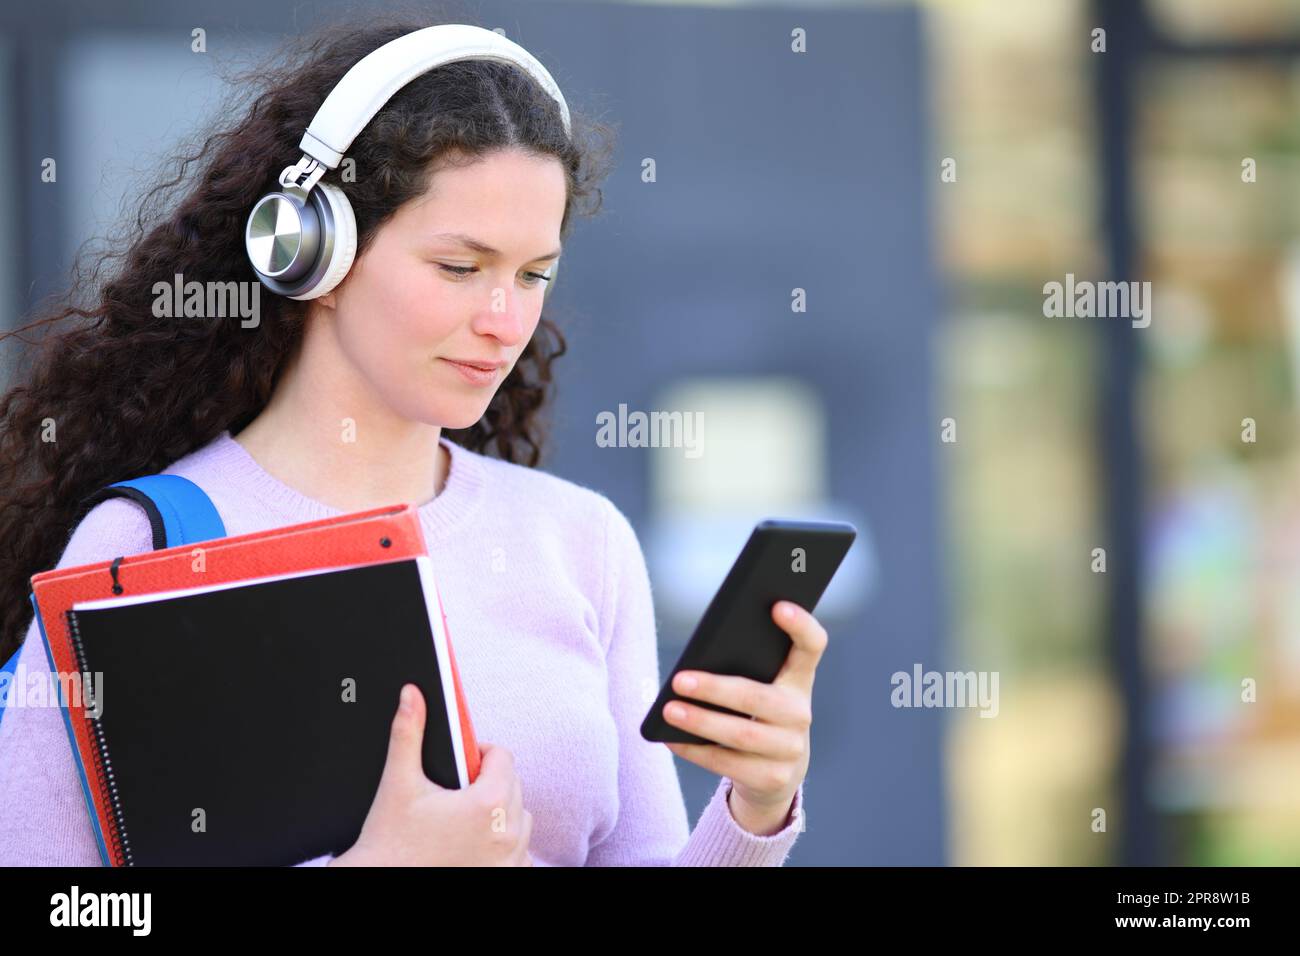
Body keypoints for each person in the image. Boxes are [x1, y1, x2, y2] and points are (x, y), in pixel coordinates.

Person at [0, 14, 823, 866]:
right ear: (311, 252)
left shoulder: (582, 544)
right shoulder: (140, 547)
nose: (506, 322)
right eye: (460, 268)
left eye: (533, 275)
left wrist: (754, 810)